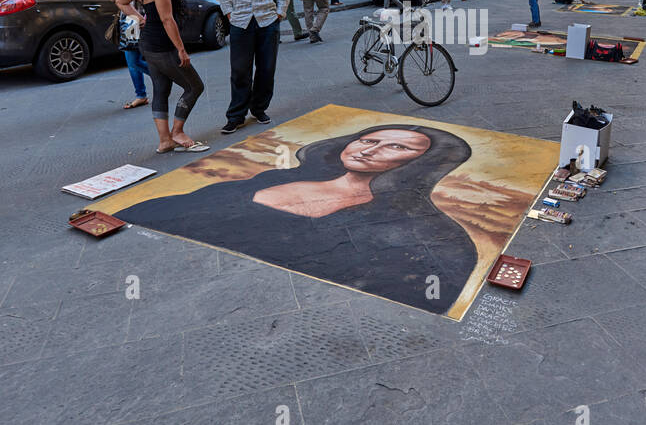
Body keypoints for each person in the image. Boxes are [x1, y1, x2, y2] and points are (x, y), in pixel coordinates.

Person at [120, 124, 478, 315]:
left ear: (422, 163)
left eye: (396, 147)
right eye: (367, 139)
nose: (369, 149)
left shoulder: (428, 229)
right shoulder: (273, 178)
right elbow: (176, 207)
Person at [115, 0, 207, 153]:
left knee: (161, 89)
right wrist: (181, 49)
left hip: (148, 45)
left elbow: (121, 1)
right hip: (162, 46)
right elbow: (167, 19)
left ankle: (165, 141)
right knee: (194, 87)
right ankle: (177, 132)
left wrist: (139, 17)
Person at [220, 0, 289, 133]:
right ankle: (236, 115)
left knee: (266, 69)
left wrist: (279, 13)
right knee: (240, 70)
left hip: (267, 20)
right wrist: (230, 14)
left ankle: (259, 108)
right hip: (240, 21)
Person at [107, 0, 150, 108]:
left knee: (135, 60)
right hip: (128, 20)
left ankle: (161, 76)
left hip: (142, 18)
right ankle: (141, 94)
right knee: (131, 59)